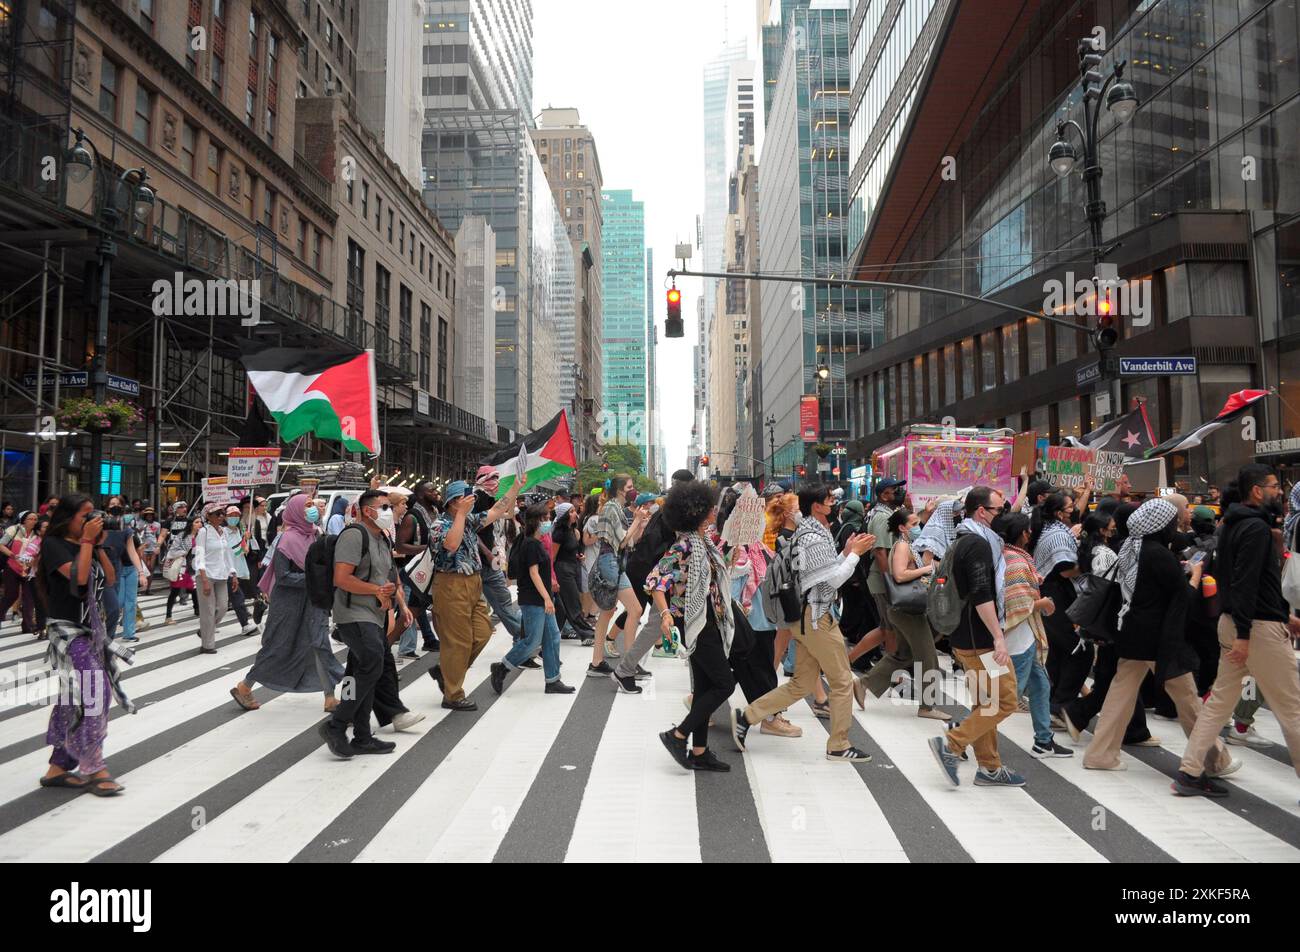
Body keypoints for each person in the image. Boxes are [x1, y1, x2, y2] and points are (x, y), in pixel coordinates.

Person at [1081, 498, 1235, 776]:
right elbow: (1182, 596)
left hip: (1130, 632)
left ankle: (1100, 754)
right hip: (1160, 638)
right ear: (1161, 525)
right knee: (1188, 698)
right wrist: (1195, 575)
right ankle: (1215, 759)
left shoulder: (1131, 548)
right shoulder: (1158, 554)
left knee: (1120, 695)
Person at [1174, 465, 1300, 797]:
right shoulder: (1255, 529)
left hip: (1234, 624)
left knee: (1218, 704)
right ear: (1257, 491)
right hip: (1254, 630)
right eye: (1274, 486)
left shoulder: (1231, 525)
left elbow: (1251, 584)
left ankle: (1189, 771)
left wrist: (1283, 617)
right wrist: (1247, 634)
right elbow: (1246, 585)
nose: (1279, 492)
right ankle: (1189, 771)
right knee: (1293, 709)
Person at [730, 482, 876, 763]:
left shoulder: (811, 532)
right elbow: (829, 580)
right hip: (817, 617)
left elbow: (823, 570)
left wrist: (846, 553)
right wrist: (855, 555)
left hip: (806, 616)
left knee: (802, 683)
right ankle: (839, 744)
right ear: (817, 506)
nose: (834, 504)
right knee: (843, 680)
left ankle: (747, 716)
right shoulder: (814, 536)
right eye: (829, 499)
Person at [926, 486, 1025, 788]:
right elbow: (982, 595)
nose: (1003, 515)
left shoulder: (961, 540)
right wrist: (998, 637)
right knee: (1006, 700)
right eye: (999, 510)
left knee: (987, 702)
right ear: (982, 512)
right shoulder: (979, 545)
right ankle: (952, 744)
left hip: (964, 638)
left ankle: (990, 768)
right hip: (981, 641)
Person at [38, 495, 133, 796]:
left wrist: (98, 543)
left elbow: (111, 577)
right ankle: (93, 765)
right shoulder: (54, 545)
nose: (93, 520)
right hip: (67, 632)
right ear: (68, 518)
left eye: (96, 515)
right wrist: (88, 543)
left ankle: (58, 766)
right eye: (87, 516)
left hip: (91, 629)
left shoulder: (87, 545)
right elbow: (79, 580)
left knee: (74, 696)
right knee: (96, 690)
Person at [230, 495, 355, 719]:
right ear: (296, 510)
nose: (312, 509)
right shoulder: (285, 540)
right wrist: (314, 578)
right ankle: (245, 685)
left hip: (314, 600)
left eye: (312, 505)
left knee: (319, 643)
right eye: (307, 506)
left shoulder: (316, 534)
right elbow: (284, 576)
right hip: (287, 603)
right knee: (278, 646)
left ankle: (332, 696)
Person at [648, 481, 737, 772]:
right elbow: (657, 582)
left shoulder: (705, 543)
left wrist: (730, 560)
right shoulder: (684, 545)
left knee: (705, 687)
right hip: (696, 623)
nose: (715, 510)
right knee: (724, 683)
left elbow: (710, 578)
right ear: (697, 513)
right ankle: (678, 735)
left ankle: (699, 752)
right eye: (710, 508)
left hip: (709, 619)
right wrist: (664, 615)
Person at [318, 490, 414, 758]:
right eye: (384, 507)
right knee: (373, 663)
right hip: (353, 614)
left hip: (375, 614)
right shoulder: (354, 535)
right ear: (367, 510)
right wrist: (375, 591)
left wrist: (401, 606)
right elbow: (341, 578)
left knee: (357, 671)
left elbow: (391, 578)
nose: (389, 512)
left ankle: (362, 736)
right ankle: (337, 726)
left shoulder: (382, 537)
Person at [427, 475, 526, 712]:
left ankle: (447, 671)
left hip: (473, 583)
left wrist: (515, 487)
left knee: (482, 632)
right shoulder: (439, 524)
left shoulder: (469, 520)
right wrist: (461, 514)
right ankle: (453, 694)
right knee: (457, 641)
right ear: (453, 502)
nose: (472, 499)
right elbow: (451, 545)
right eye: (466, 496)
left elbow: (497, 510)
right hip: (451, 585)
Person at [857, 506, 950, 720]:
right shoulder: (901, 546)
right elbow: (899, 575)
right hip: (908, 612)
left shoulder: (908, 544)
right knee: (928, 659)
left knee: (903, 654)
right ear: (902, 528)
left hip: (904, 610)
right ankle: (927, 707)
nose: (918, 527)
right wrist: (926, 570)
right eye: (914, 524)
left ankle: (863, 684)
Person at [994, 512, 1071, 757]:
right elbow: (1016, 603)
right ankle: (961, 733)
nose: (1030, 534)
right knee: (1005, 699)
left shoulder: (1007, 555)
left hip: (1024, 636)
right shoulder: (1015, 561)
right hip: (1018, 638)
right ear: (1020, 533)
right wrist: (1044, 603)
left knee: (1040, 686)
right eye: (1027, 530)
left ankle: (1044, 740)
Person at [490, 503, 576, 696]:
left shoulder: (535, 541)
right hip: (533, 599)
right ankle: (502, 667)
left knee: (553, 637)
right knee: (532, 641)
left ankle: (553, 680)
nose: (548, 522)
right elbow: (534, 573)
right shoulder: (530, 543)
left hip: (542, 598)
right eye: (544, 519)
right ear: (534, 521)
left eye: (548, 518)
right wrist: (547, 598)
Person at [1030, 493, 1089, 720]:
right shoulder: (1057, 534)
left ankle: (1053, 702)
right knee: (1079, 649)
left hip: (1052, 595)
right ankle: (1061, 703)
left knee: (1058, 652)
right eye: (1070, 507)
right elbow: (1065, 570)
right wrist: (1088, 562)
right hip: (1055, 596)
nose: (1073, 510)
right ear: (1058, 513)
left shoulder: (1050, 529)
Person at [587, 475, 651, 678]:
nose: (634, 490)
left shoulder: (617, 509)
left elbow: (631, 542)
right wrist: (638, 521)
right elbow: (622, 541)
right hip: (610, 562)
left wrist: (639, 526)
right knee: (636, 609)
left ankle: (596, 663)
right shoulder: (611, 508)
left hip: (614, 562)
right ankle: (629, 664)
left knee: (607, 612)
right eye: (630, 487)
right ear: (621, 490)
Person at [471, 467, 523, 641]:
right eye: (491, 478)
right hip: (473, 564)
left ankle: (523, 641)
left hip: (487, 563)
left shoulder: (487, 498)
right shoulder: (476, 499)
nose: (495, 481)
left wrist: (493, 554)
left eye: (496, 477)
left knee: (503, 601)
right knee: (471, 609)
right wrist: (488, 554)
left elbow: (503, 513)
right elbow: (473, 530)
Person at [193, 503, 238, 654]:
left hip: (222, 574)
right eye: (216, 514)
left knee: (223, 606)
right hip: (206, 574)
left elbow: (227, 554)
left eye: (222, 513)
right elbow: (199, 556)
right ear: (208, 516)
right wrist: (204, 579)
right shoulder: (203, 532)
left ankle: (206, 629)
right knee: (208, 610)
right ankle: (207, 645)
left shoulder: (223, 531)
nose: (221, 516)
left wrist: (233, 573)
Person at [101, 508, 146, 642]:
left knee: (131, 602)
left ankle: (129, 633)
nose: (115, 518)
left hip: (129, 568)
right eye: (112, 513)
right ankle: (105, 633)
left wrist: (141, 573)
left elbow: (133, 552)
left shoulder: (127, 531)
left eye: (118, 514)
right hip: (113, 570)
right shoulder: (100, 531)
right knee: (117, 603)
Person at [551, 501, 594, 642]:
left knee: (564, 606)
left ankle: (552, 634)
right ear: (564, 515)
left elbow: (572, 550)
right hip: (563, 571)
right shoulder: (559, 533)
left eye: (574, 510)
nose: (575, 513)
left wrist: (578, 555)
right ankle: (586, 633)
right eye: (571, 512)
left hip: (574, 568)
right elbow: (552, 557)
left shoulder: (573, 531)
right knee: (573, 603)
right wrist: (552, 577)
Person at [223, 505, 260, 637]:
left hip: (238, 568)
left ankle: (245, 624)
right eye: (231, 515)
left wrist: (246, 540)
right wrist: (243, 541)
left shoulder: (240, 531)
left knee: (236, 597)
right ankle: (245, 624)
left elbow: (244, 551)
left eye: (236, 515)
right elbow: (230, 549)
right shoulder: (222, 532)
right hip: (227, 569)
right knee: (233, 598)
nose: (234, 518)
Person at [1, 510, 39, 634]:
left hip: (29, 570)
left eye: (35, 519)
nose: (33, 521)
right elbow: (1, 545)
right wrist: (13, 555)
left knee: (29, 598)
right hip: (12, 567)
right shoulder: (14, 530)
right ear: (23, 520)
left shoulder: (37, 534)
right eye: (30, 519)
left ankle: (28, 626)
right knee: (11, 595)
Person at [162, 516, 200, 624]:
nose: (199, 524)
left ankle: (198, 610)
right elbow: (172, 551)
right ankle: (168, 617)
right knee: (175, 591)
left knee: (195, 589)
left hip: (193, 568)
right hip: (181, 567)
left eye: (200, 522)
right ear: (191, 524)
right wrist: (183, 552)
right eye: (196, 522)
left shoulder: (201, 536)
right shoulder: (182, 536)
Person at [136, 507, 162, 594]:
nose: (149, 516)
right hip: (143, 548)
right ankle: (141, 588)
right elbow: (137, 534)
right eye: (147, 514)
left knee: (151, 568)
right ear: (145, 515)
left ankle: (148, 589)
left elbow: (159, 536)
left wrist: (158, 547)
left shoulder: (157, 524)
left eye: (151, 514)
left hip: (153, 548)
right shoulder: (140, 523)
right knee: (144, 568)